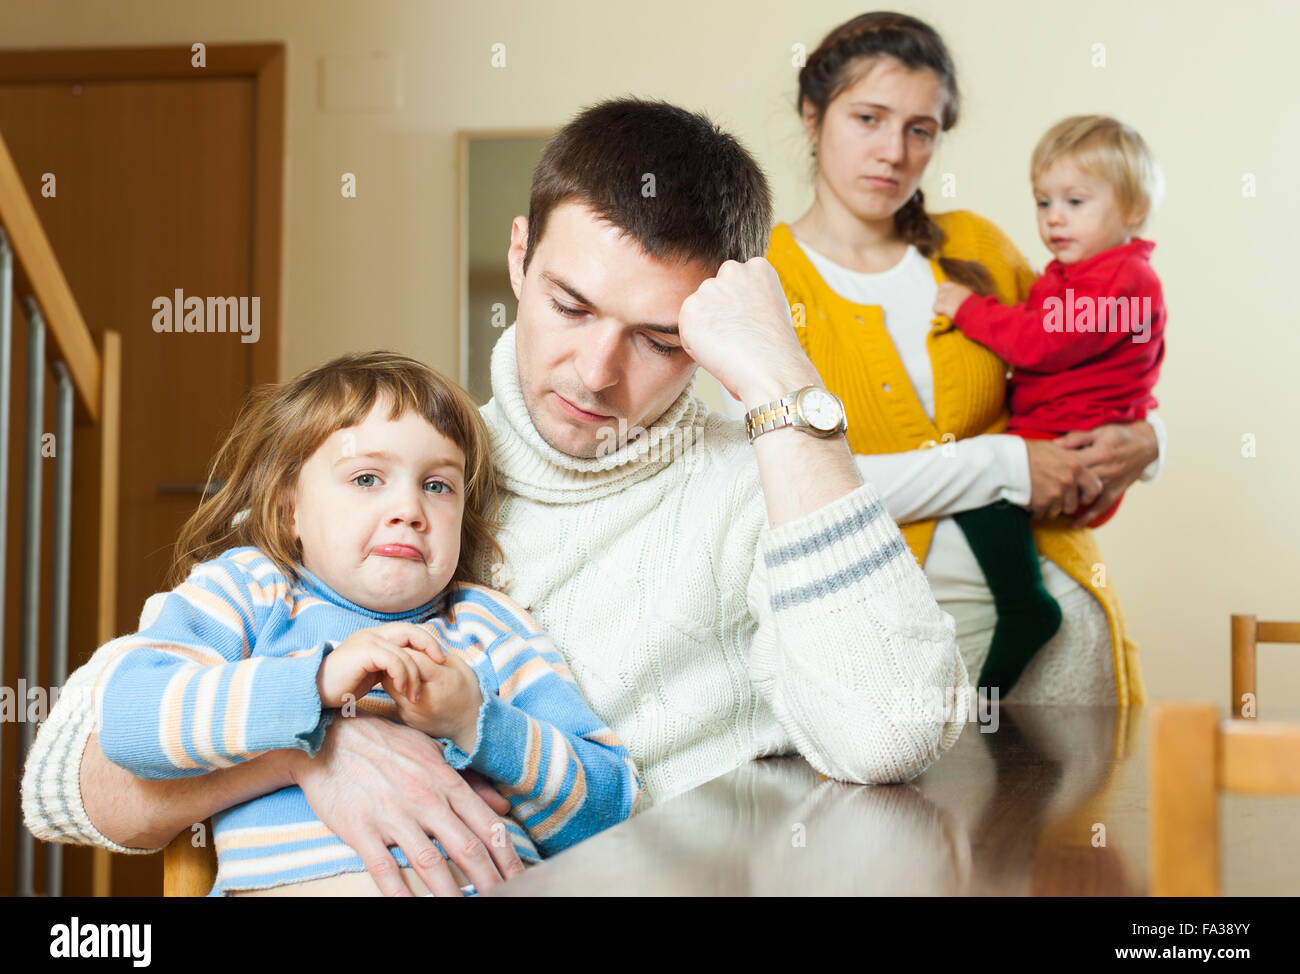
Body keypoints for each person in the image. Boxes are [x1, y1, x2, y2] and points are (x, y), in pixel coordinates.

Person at [25, 96, 969, 896]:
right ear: (519, 257)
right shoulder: (377, 473)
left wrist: (782, 385)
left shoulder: (768, 482)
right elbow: (68, 776)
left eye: (660, 339)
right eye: (569, 305)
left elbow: (889, 732)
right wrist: (309, 748)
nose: (596, 373)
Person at [91, 352, 642, 895]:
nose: (409, 508)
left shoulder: (489, 625)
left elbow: (612, 814)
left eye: (437, 485)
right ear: (291, 511)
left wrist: (477, 722)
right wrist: (314, 683)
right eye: (366, 478)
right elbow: (129, 716)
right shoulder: (249, 591)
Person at [759, 11, 1165, 706]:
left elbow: (1100, 357)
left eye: (921, 129)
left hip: (1062, 636)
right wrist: (1005, 464)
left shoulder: (976, 246)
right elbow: (789, 490)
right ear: (811, 115)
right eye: (868, 118)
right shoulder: (764, 278)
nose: (894, 152)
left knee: (1088, 818)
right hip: (885, 661)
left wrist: (1152, 444)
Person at [932, 115, 1166, 694]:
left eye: (1075, 201)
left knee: (980, 487)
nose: (1054, 217)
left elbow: (1040, 341)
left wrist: (967, 309)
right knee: (980, 481)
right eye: (1043, 201)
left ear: (1133, 208)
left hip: (1072, 442)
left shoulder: (1125, 279)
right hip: (1057, 431)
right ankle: (1021, 605)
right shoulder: (1079, 273)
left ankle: (1023, 608)